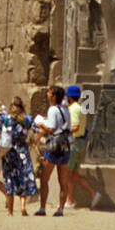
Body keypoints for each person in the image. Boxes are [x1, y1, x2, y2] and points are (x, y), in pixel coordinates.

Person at [34, 85, 71, 216]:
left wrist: (40, 123)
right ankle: (60, 209)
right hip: (65, 146)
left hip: (54, 146)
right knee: (63, 180)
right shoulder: (66, 110)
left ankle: (42, 207)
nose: (47, 94)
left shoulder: (52, 109)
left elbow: (51, 129)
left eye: (49, 92)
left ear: (54, 96)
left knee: (45, 178)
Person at [0, 97, 38, 216]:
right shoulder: (27, 119)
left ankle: (10, 211)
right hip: (23, 151)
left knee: (9, 180)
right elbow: (39, 129)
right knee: (23, 179)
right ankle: (22, 207)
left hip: (9, 152)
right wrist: (33, 142)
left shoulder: (5, 118)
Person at [64, 85, 101, 210]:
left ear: (69, 96)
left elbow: (74, 127)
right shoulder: (81, 108)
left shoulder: (73, 109)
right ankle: (70, 200)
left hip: (74, 143)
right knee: (72, 174)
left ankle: (92, 193)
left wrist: (62, 130)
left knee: (69, 174)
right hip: (80, 143)